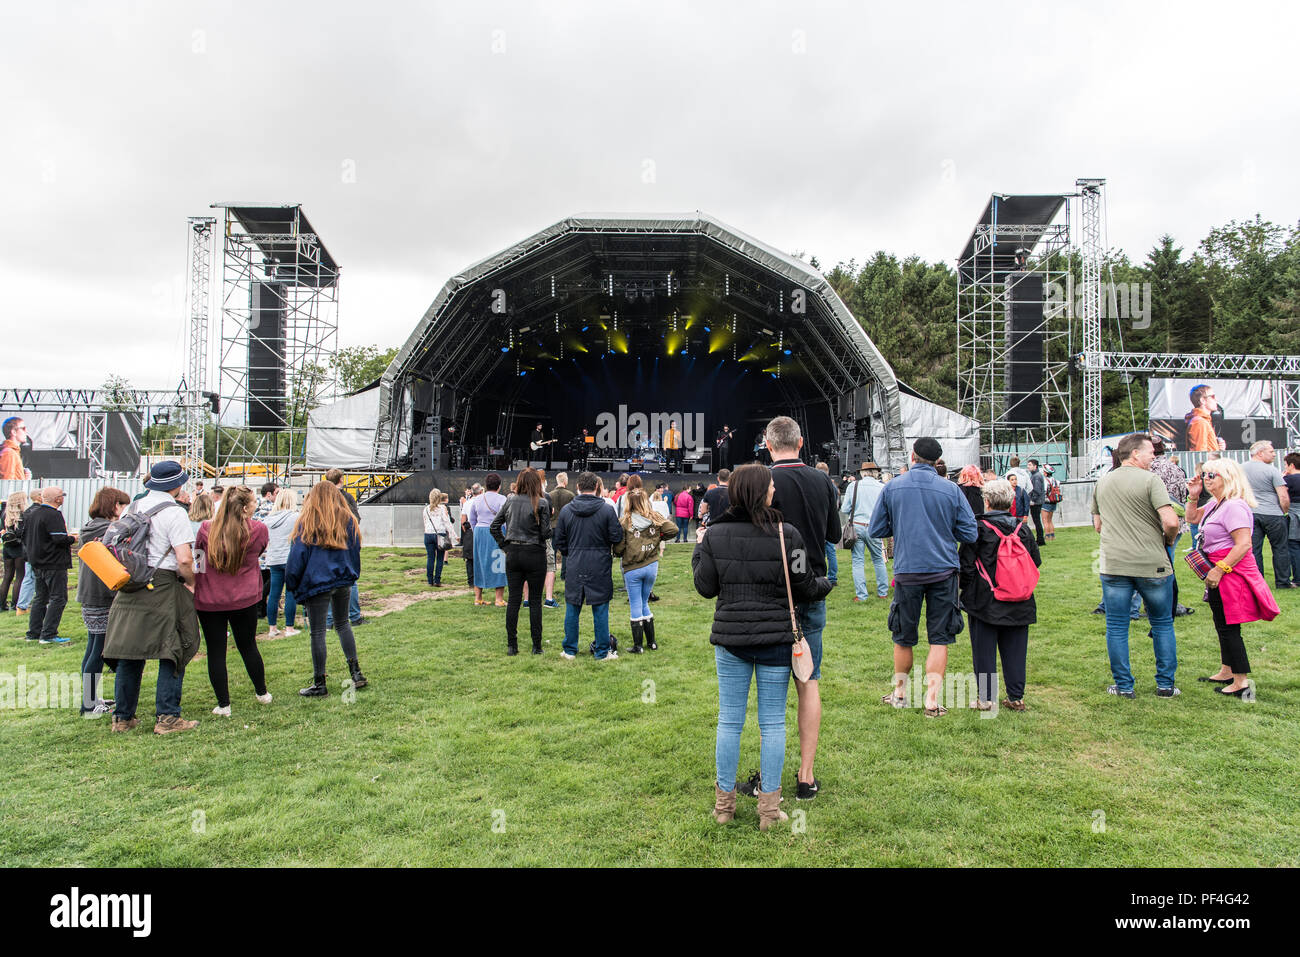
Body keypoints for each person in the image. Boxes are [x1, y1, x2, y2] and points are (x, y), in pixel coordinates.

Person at [693, 463, 833, 829]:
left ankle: (724, 807)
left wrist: (699, 551)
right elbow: (805, 584)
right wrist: (827, 584)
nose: (774, 490)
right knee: (772, 724)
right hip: (775, 640)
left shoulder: (715, 534)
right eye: (770, 486)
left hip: (731, 639)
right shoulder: (788, 535)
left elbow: (705, 586)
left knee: (730, 721)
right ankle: (769, 811)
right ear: (761, 492)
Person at [870, 437, 979, 717]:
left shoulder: (893, 486)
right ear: (937, 461)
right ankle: (931, 700)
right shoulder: (951, 490)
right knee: (939, 637)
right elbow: (969, 533)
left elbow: (876, 528)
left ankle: (900, 693)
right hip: (943, 570)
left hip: (908, 571)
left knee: (903, 636)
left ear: (913, 455)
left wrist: (904, 525)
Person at [764, 416, 841, 800]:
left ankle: (771, 777)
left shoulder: (765, 482)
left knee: (773, 684)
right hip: (811, 589)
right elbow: (834, 535)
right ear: (800, 442)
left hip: (773, 593)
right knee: (808, 681)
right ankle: (806, 775)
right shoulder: (822, 480)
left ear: (768, 443)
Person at [103, 461, 200, 734]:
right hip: (161, 583)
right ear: (177, 484)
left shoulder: (133, 507)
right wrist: (191, 582)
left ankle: (123, 718)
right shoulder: (175, 512)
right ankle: (168, 717)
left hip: (130, 582)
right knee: (173, 648)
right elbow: (183, 558)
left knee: (129, 652)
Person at [1090, 433, 1181, 699]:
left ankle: (1124, 686)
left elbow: (1098, 525)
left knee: (1117, 626)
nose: (1154, 456)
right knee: (1162, 623)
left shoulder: (1103, 481)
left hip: (1115, 565)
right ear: (1134, 454)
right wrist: (1167, 540)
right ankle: (1165, 685)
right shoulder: (1151, 480)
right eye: (1150, 452)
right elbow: (1172, 521)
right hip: (1152, 564)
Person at [1185, 459, 1279, 698]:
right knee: (1221, 623)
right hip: (1220, 570)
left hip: (1230, 572)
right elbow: (1193, 519)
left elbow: (1244, 544)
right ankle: (1227, 670)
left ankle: (1241, 682)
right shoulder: (1217, 504)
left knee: (1229, 627)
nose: (1206, 479)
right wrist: (1193, 496)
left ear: (1227, 477)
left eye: (1211, 475)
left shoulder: (1234, 506)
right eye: (1204, 474)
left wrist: (1220, 569)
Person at [959, 479, 1041, 711]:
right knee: (1016, 649)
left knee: (983, 650)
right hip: (1020, 597)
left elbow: (964, 564)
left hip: (985, 599)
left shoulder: (978, 528)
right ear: (1011, 502)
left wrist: (966, 589)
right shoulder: (1022, 529)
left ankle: (986, 698)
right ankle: (1016, 696)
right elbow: (1035, 561)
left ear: (986, 501)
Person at [193, 486, 272, 716]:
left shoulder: (207, 529)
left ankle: (224, 704)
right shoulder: (257, 530)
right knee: (248, 645)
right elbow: (258, 553)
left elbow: (198, 559)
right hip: (243, 597)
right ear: (246, 507)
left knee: (216, 651)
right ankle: (261, 692)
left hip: (210, 598)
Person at [286, 481, 367, 697]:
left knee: (318, 632)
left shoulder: (307, 521)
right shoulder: (348, 520)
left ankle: (320, 683)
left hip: (318, 582)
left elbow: (297, 556)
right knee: (343, 624)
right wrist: (352, 573)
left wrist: (292, 584)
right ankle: (356, 672)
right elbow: (355, 549)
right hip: (341, 579)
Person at [552, 472, 623, 660]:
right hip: (599, 563)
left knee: (572, 607)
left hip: (575, 562)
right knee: (600, 608)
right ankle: (601, 651)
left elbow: (559, 540)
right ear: (597, 487)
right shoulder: (607, 510)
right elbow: (617, 537)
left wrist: (572, 553)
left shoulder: (567, 511)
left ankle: (569, 650)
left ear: (577, 487)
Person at [76, 486, 131, 717]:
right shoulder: (109, 529)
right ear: (114, 505)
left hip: (90, 594)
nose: (123, 511)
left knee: (93, 647)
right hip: (102, 594)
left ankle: (91, 699)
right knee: (99, 650)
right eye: (121, 505)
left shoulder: (89, 527)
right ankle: (89, 704)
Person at [490, 468, 552, 656]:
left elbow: (494, 526)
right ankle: (536, 646)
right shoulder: (541, 503)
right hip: (534, 553)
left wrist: (505, 546)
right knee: (534, 601)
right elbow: (545, 533)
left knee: (514, 600)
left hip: (514, 553)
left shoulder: (510, 500)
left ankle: (512, 645)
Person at [613, 486, 677, 653]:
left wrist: (617, 551)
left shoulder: (625, 521)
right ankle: (652, 643)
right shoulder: (655, 518)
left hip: (633, 567)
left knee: (635, 603)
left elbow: (619, 549)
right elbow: (673, 529)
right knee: (643, 602)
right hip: (651, 565)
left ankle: (638, 646)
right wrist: (658, 537)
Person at [23, 484, 77, 644]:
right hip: (54, 562)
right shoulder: (53, 515)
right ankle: (48, 634)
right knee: (58, 598)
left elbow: (25, 537)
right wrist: (73, 538)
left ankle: (33, 633)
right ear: (57, 499)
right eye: (61, 495)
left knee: (40, 597)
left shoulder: (33, 514)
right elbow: (59, 538)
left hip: (37, 562)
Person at [1148, 438, 1193, 616]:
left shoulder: (1150, 469)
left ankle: (1162, 603)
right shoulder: (1174, 467)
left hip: (1159, 521)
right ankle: (1169, 602)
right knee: (1168, 563)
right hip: (1177, 521)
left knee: (1157, 566)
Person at [1241, 440, 1293, 588]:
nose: (1274, 454)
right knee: (1280, 548)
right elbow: (1283, 496)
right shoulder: (1272, 470)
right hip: (1273, 513)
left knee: (1254, 549)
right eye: (1271, 451)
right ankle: (1283, 581)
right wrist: (1284, 512)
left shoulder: (1240, 469)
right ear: (1260, 453)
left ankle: (1256, 581)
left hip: (1250, 513)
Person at [324, 469, 367, 627]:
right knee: (350, 580)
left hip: (328, 543)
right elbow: (356, 519)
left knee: (328, 580)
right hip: (346, 543)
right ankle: (354, 617)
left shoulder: (322, 499)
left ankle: (329, 621)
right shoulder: (346, 497)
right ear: (341, 480)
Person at [841, 461, 888, 601]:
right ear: (875, 473)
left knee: (858, 561)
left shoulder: (853, 486)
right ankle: (883, 592)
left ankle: (861, 595)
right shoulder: (882, 487)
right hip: (875, 526)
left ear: (862, 473)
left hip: (857, 526)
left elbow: (844, 509)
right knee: (879, 559)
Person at [466, 473, 508, 606]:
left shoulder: (477, 499)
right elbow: (505, 518)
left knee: (479, 561)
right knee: (498, 562)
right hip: (497, 531)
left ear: (485, 485)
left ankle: (478, 598)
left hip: (480, 531)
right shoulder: (502, 499)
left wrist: (475, 529)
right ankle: (499, 599)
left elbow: (471, 518)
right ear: (499, 486)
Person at [263, 488, 300, 637]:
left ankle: (272, 628)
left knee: (274, 594)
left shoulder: (268, 519)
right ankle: (289, 627)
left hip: (274, 558)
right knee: (290, 592)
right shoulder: (296, 517)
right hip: (289, 558)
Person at [13, 488, 42, 614]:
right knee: (35, 578)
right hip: (37, 550)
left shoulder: (26, 512)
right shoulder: (40, 512)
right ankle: (25, 604)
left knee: (28, 577)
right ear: (39, 497)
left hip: (27, 550)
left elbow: (20, 533)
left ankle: (22, 606)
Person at [423, 488, 457, 587]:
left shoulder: (426, 509)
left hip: (428, 534)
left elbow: (425, 522)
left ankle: (430, 580)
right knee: (440, 558)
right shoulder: (442, 508)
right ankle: (437, 580)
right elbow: (447, 523)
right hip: (440, 534)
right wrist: (454, 535)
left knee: (430, 558)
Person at [2, 491, 27, 612]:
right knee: (20, 576)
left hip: (7, 547)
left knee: (7, 576)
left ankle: (1, 604)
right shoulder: (23, 515)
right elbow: (22, 533)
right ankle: (15, 604)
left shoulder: (5, 515)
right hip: (19, 548)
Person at [1185, 384, 1226, 452]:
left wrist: (1218, 449)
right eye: (1213, 396)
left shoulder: (1203, 421)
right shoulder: (1199, 422)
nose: (1216, 399)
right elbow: (1199, 455)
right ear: (1202, 400)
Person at [1284, 452, 1300, 587]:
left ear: (1291, 465)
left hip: (1294, 514)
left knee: (1294, 546)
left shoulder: (1287, 480)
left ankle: (1298, 578)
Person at [1026, 459, 1046, 546]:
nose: (1028, 466)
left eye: (1030, 465)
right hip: (1038, 501)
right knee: (1037, 520)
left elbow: (1037, 490)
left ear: (1035, 466)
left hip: (1036, 502)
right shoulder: (1035, 475)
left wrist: (1033, 500)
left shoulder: (1036, 476)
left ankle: (1040, 539)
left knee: (1037, 521)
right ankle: (1040, 538)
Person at [1040, 465, 1060, 540]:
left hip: (1046, 502)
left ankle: (1047, 535)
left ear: (1045, 473)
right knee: (1050, 520)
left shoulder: (1045, 481)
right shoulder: (1055, 480)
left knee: (1045, 520)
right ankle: (1052, 535)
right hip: (1054, 502)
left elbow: (1044, 492)